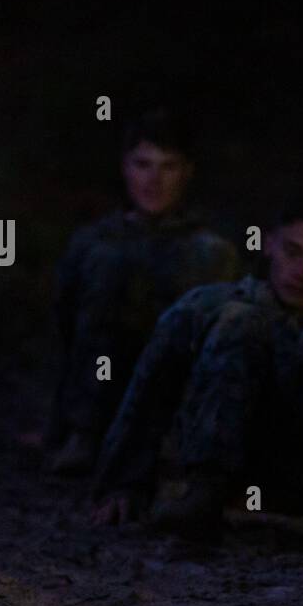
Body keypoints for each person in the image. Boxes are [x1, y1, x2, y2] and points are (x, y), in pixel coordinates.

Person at [91, 195, 303, 551]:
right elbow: (149, 389)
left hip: (290, 481)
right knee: (237, 321)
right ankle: (202, 493)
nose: (299, 273)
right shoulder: (206, 307)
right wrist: (123, 482)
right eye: (291, 252)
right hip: (204, 472)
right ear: (269, 244)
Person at [44, 106, 242, 474]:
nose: (154, 180)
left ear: (187, 172)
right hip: (103, 387)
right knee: (106, 264)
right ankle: (84, 433)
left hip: (172, 398)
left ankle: (176, 441)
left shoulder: (211, 251)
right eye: (143, 164)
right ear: (124, 168)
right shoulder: (94, 242)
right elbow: (67, 326)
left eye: (168, 166)